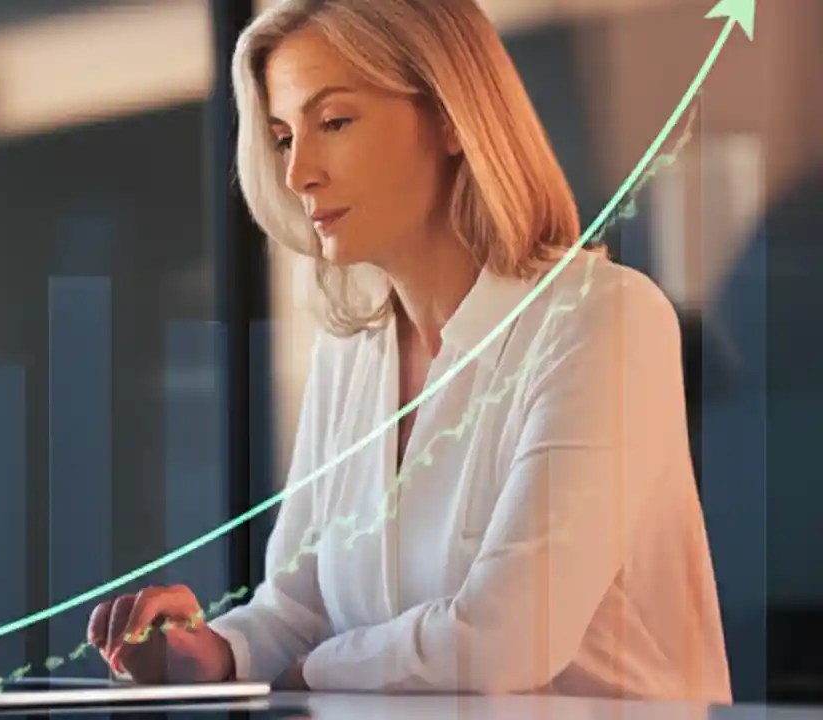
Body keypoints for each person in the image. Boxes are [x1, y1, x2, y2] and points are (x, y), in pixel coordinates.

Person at [86, 0, 731, 703]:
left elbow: (505, 642)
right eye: (280, 137)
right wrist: (213, 651)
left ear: (453, 117)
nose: (299, 171)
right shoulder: (351, 355)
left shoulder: (602, 320)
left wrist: (309, 672)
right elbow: (299, 610)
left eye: (333, 123)